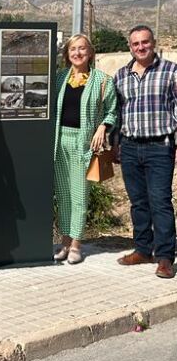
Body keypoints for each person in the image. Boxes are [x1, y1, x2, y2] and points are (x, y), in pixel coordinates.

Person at [114, 25, 177, 278]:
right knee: (138, 202)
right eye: (136, 43)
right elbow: (118, 112)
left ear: (153, 43)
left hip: (160, 147)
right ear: (130, 47)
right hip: (130, 147)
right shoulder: (121, 76)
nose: (141, 47)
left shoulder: (171, 71)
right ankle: (142, 249)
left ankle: (165, 257)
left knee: (160, 201)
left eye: (145, 42)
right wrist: (116, 144)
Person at [53, 34, 117, 265]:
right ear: (67, 53)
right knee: (63, 195)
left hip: (85, 144)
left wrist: (102, 127)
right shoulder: (60, 78)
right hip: (60, 142)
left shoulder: (102, 80)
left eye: (82, 49)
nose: (77, 53)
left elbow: (112, 111)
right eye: (73, 49)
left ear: (90, 53)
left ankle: (76, 244)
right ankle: (65, 242)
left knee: (79, 195)